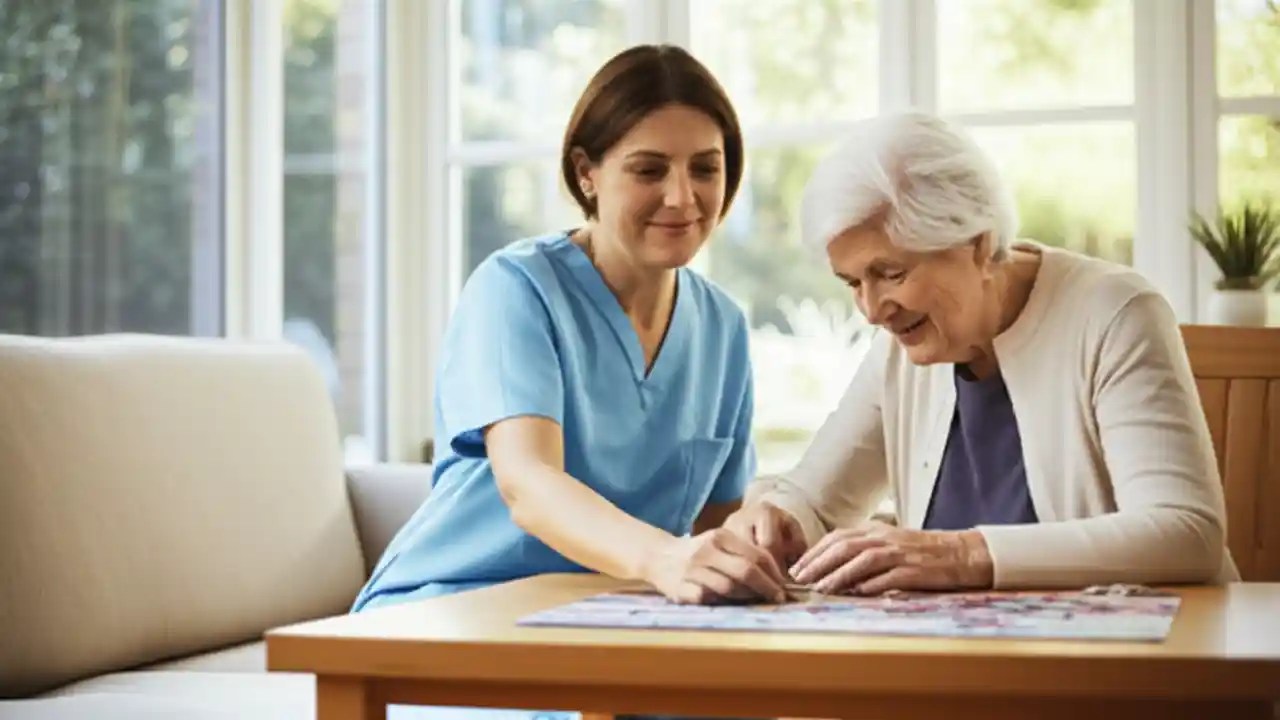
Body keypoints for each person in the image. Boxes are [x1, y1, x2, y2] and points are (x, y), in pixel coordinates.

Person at [352, 44, 789, 616]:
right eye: (649, 169)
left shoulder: (723, 327)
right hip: (455, 607)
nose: (683, 197)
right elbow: (528, 484)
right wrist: (665, 559)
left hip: (612, 613)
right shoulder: (517, 288)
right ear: (587, 173)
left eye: (705, 168)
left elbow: (714, 527)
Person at [724, 111, 1239, 595]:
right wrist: (777, 518)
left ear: (976, 242)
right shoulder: (903, 349)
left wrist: (960, 553)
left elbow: (1185, 532)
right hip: (972, 665)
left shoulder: (1115, 313)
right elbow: (816, 500)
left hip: (1143, 663)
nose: (872, 310)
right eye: (852, 282)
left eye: (891, 273)